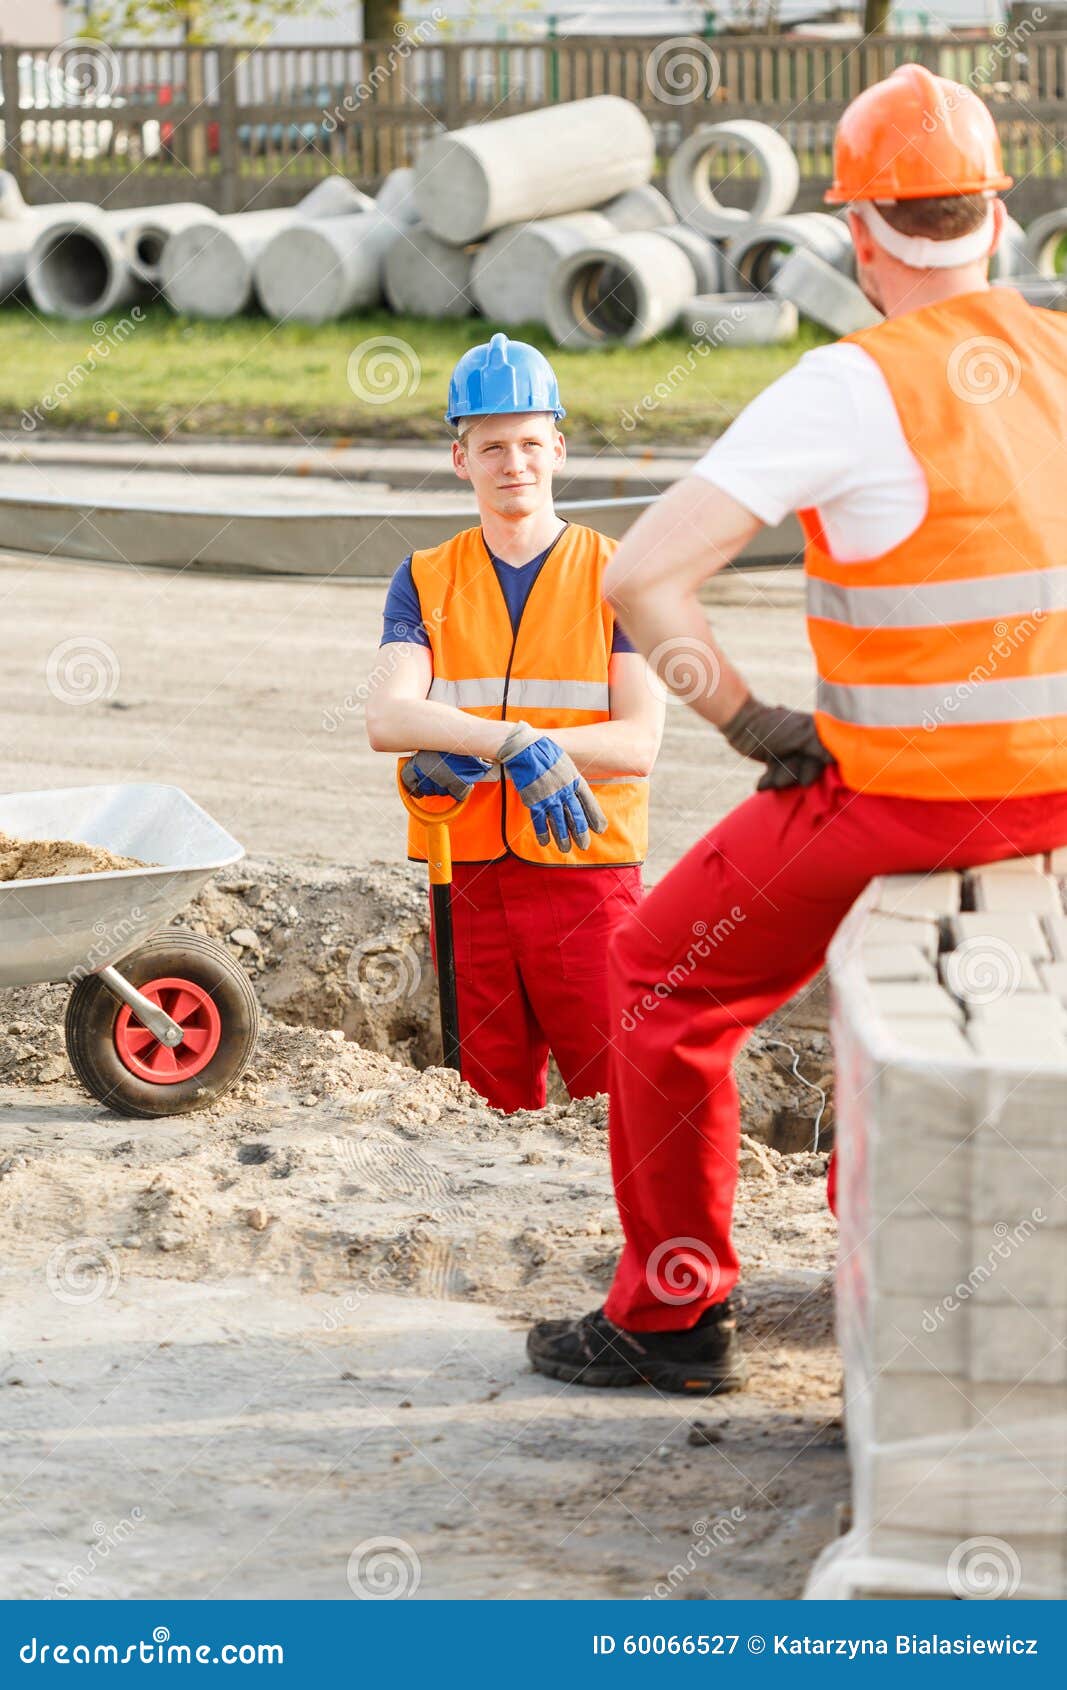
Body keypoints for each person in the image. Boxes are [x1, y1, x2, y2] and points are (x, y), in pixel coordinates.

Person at [527, 64, 1067, 1394]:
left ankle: (669, 1312)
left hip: (904, 794)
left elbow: (638, 577)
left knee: (661, 976)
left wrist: (750, 719)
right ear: (994, 220)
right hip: (1053, 794)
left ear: (854, 236)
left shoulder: (847, 386)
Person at [366, 332, 664, 1113]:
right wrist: (513, 744)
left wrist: (520, 748)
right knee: (482, 1106)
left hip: (585, 873)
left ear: (558, 448)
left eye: (531, 442)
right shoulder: (425, 577)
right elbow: (388, 714)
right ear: (460, 457)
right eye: (491, 446)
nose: (514, 464)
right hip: (465, 878)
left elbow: (639, 741)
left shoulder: (622, 574)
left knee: (620, 1095)